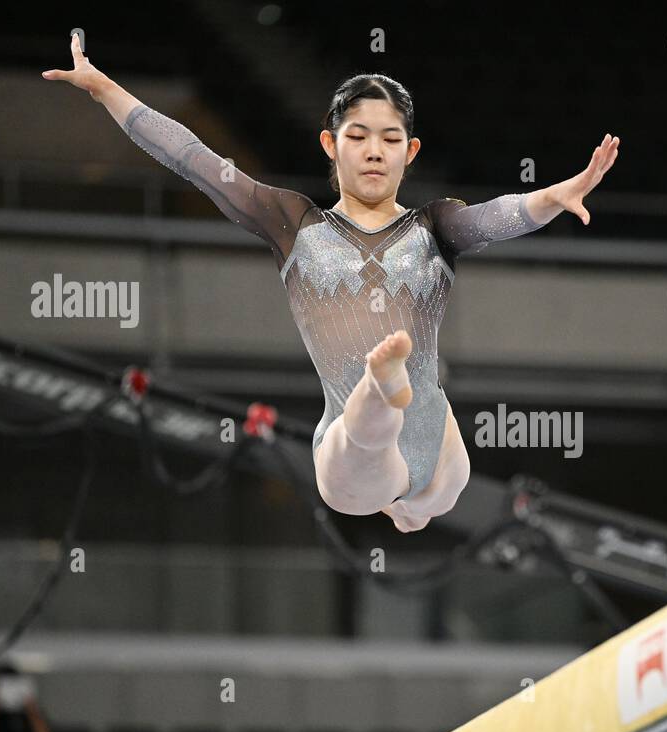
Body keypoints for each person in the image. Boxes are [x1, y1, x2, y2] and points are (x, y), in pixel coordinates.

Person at [44, 34, 620, 533]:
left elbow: (499, 215)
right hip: (352, 453)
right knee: (367, 455)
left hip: (439, 453)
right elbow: (194, 158)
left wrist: (556, 195)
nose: (375, 151)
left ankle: (399, 452)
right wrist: (102, 89)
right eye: (358, 136)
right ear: (330, 143)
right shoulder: (293, 223)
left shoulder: (436, 226)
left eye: (391, 139)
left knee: (426, 501)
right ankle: (380, 384)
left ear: (410, 151)